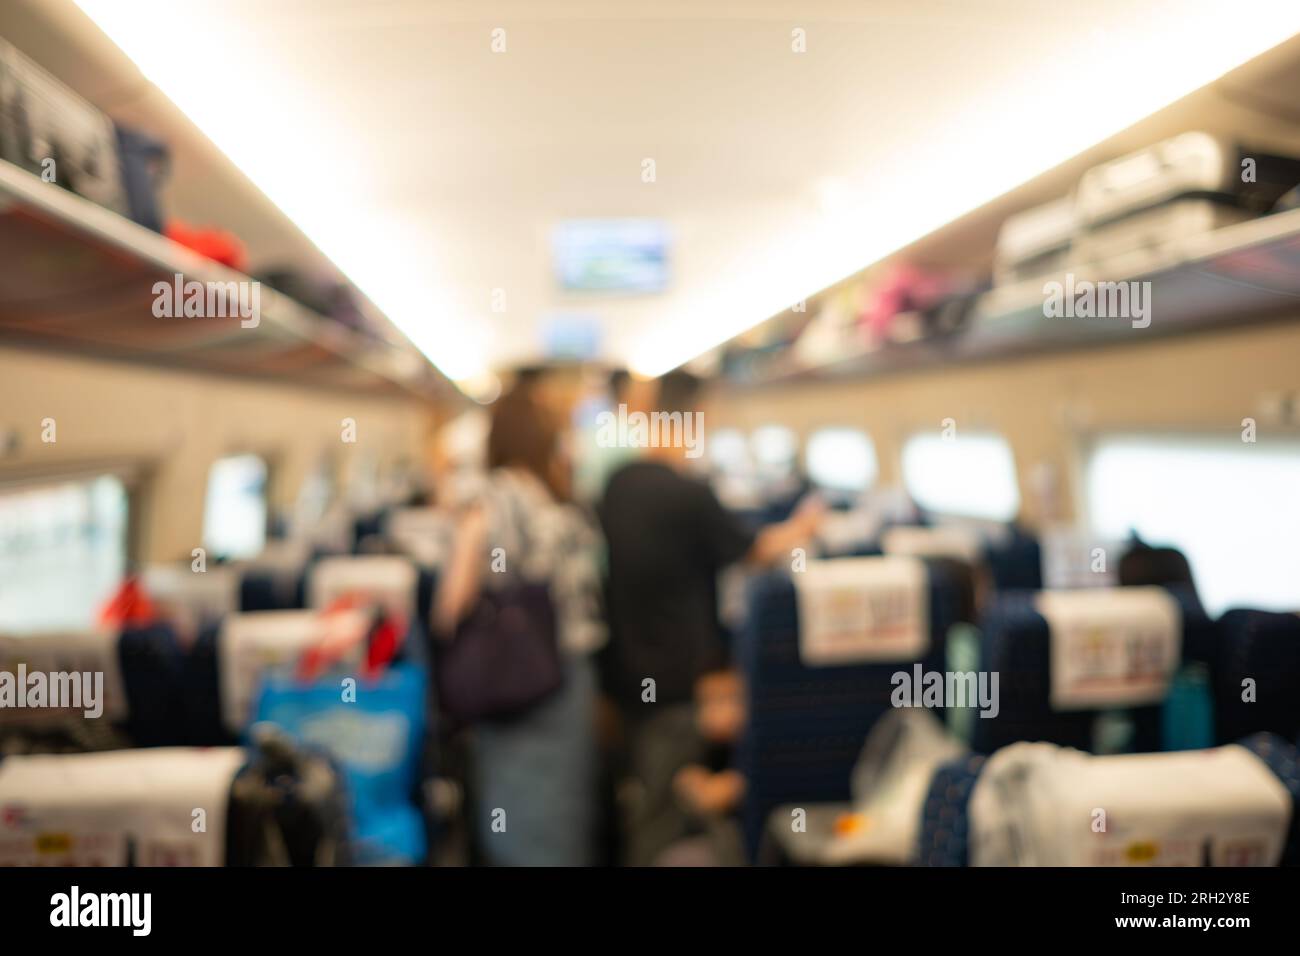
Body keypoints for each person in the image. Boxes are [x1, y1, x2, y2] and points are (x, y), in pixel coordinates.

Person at [597, 370, 824, 865]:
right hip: (677, 685)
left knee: (643, 796)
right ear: (691, 419)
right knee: (662, 818)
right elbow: (754, 551)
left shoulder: (616, 485)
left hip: (624, 677)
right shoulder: (689, 494)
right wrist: (804, 527)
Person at [434, 388, 605, 865]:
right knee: (564, 804)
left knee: (517, 808)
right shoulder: (564, 497)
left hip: (516, 673)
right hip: (572, 674)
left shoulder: (491, 498)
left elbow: (453, 602)